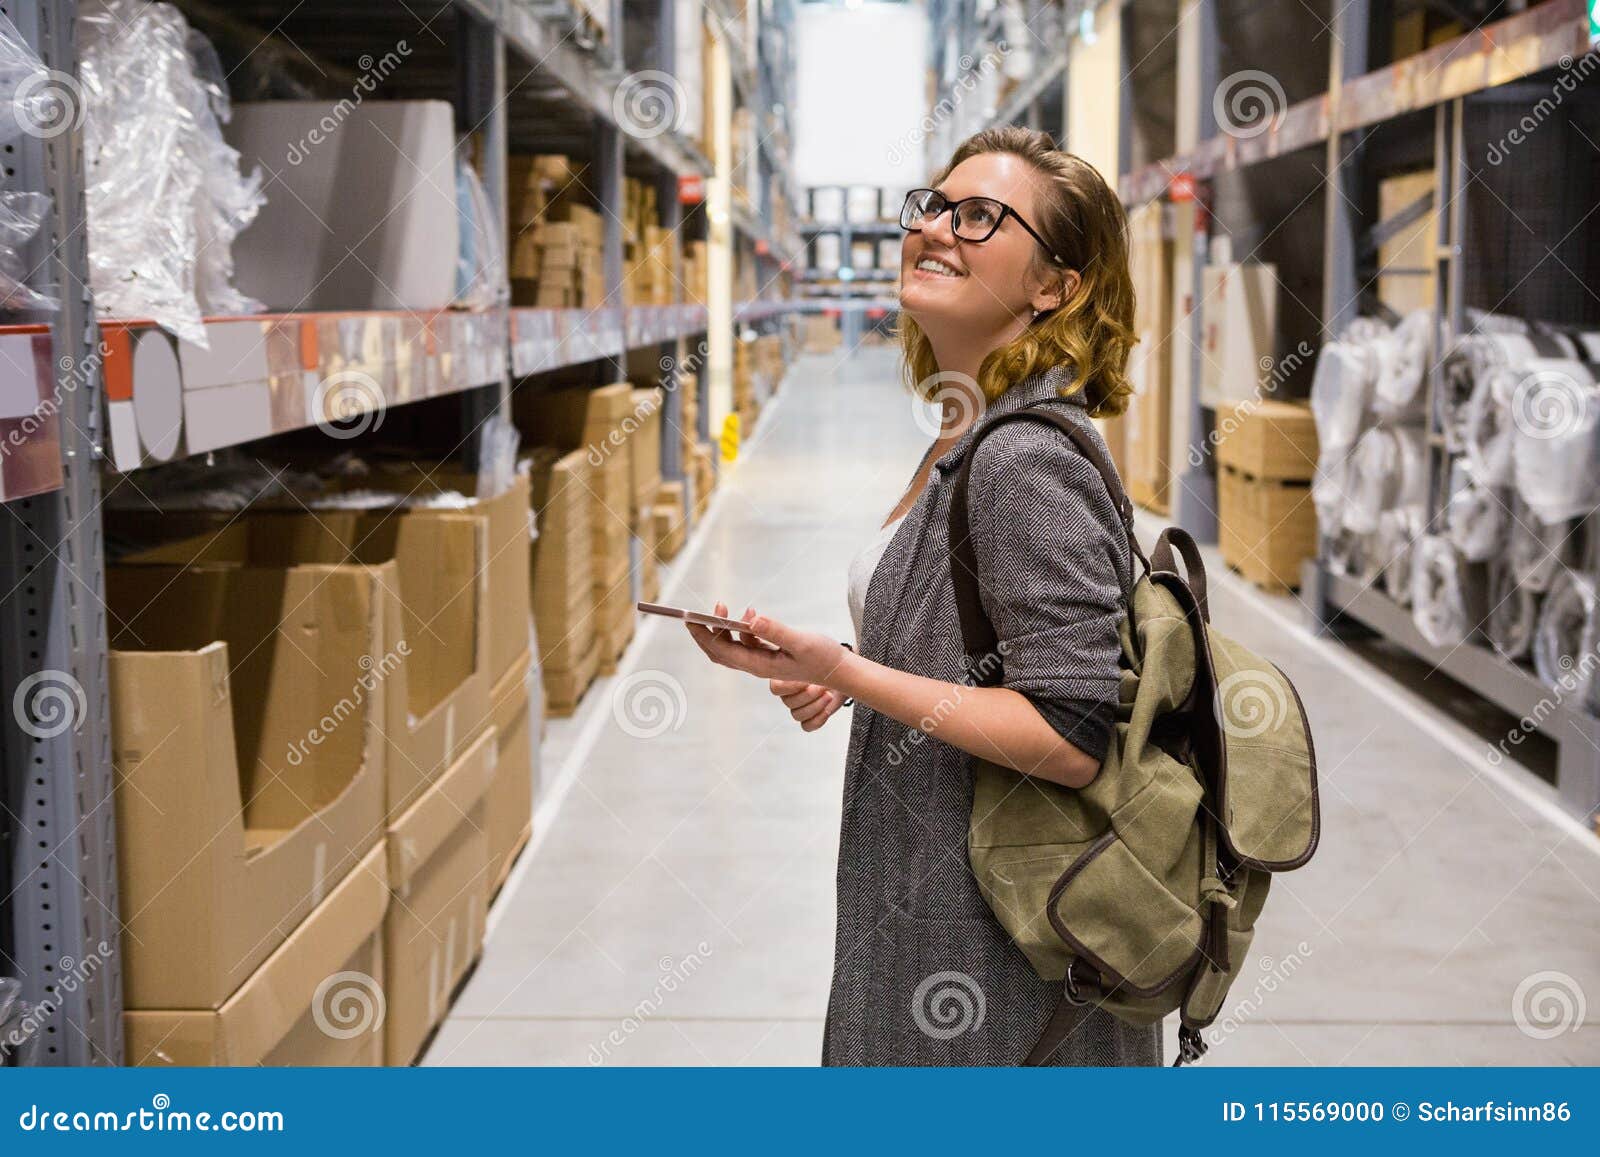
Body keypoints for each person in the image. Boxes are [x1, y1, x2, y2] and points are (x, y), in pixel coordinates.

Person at [685, 126, 1158, 1067]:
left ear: (1054, 286)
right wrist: (847, 669)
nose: (935, 228)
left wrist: (852, 675)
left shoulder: (1024, 458)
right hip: (934, 919)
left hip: (998, 983)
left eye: (980, 216)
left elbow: (1072, 733)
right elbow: (978, 647)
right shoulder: (968, 432)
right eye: (934, 206)